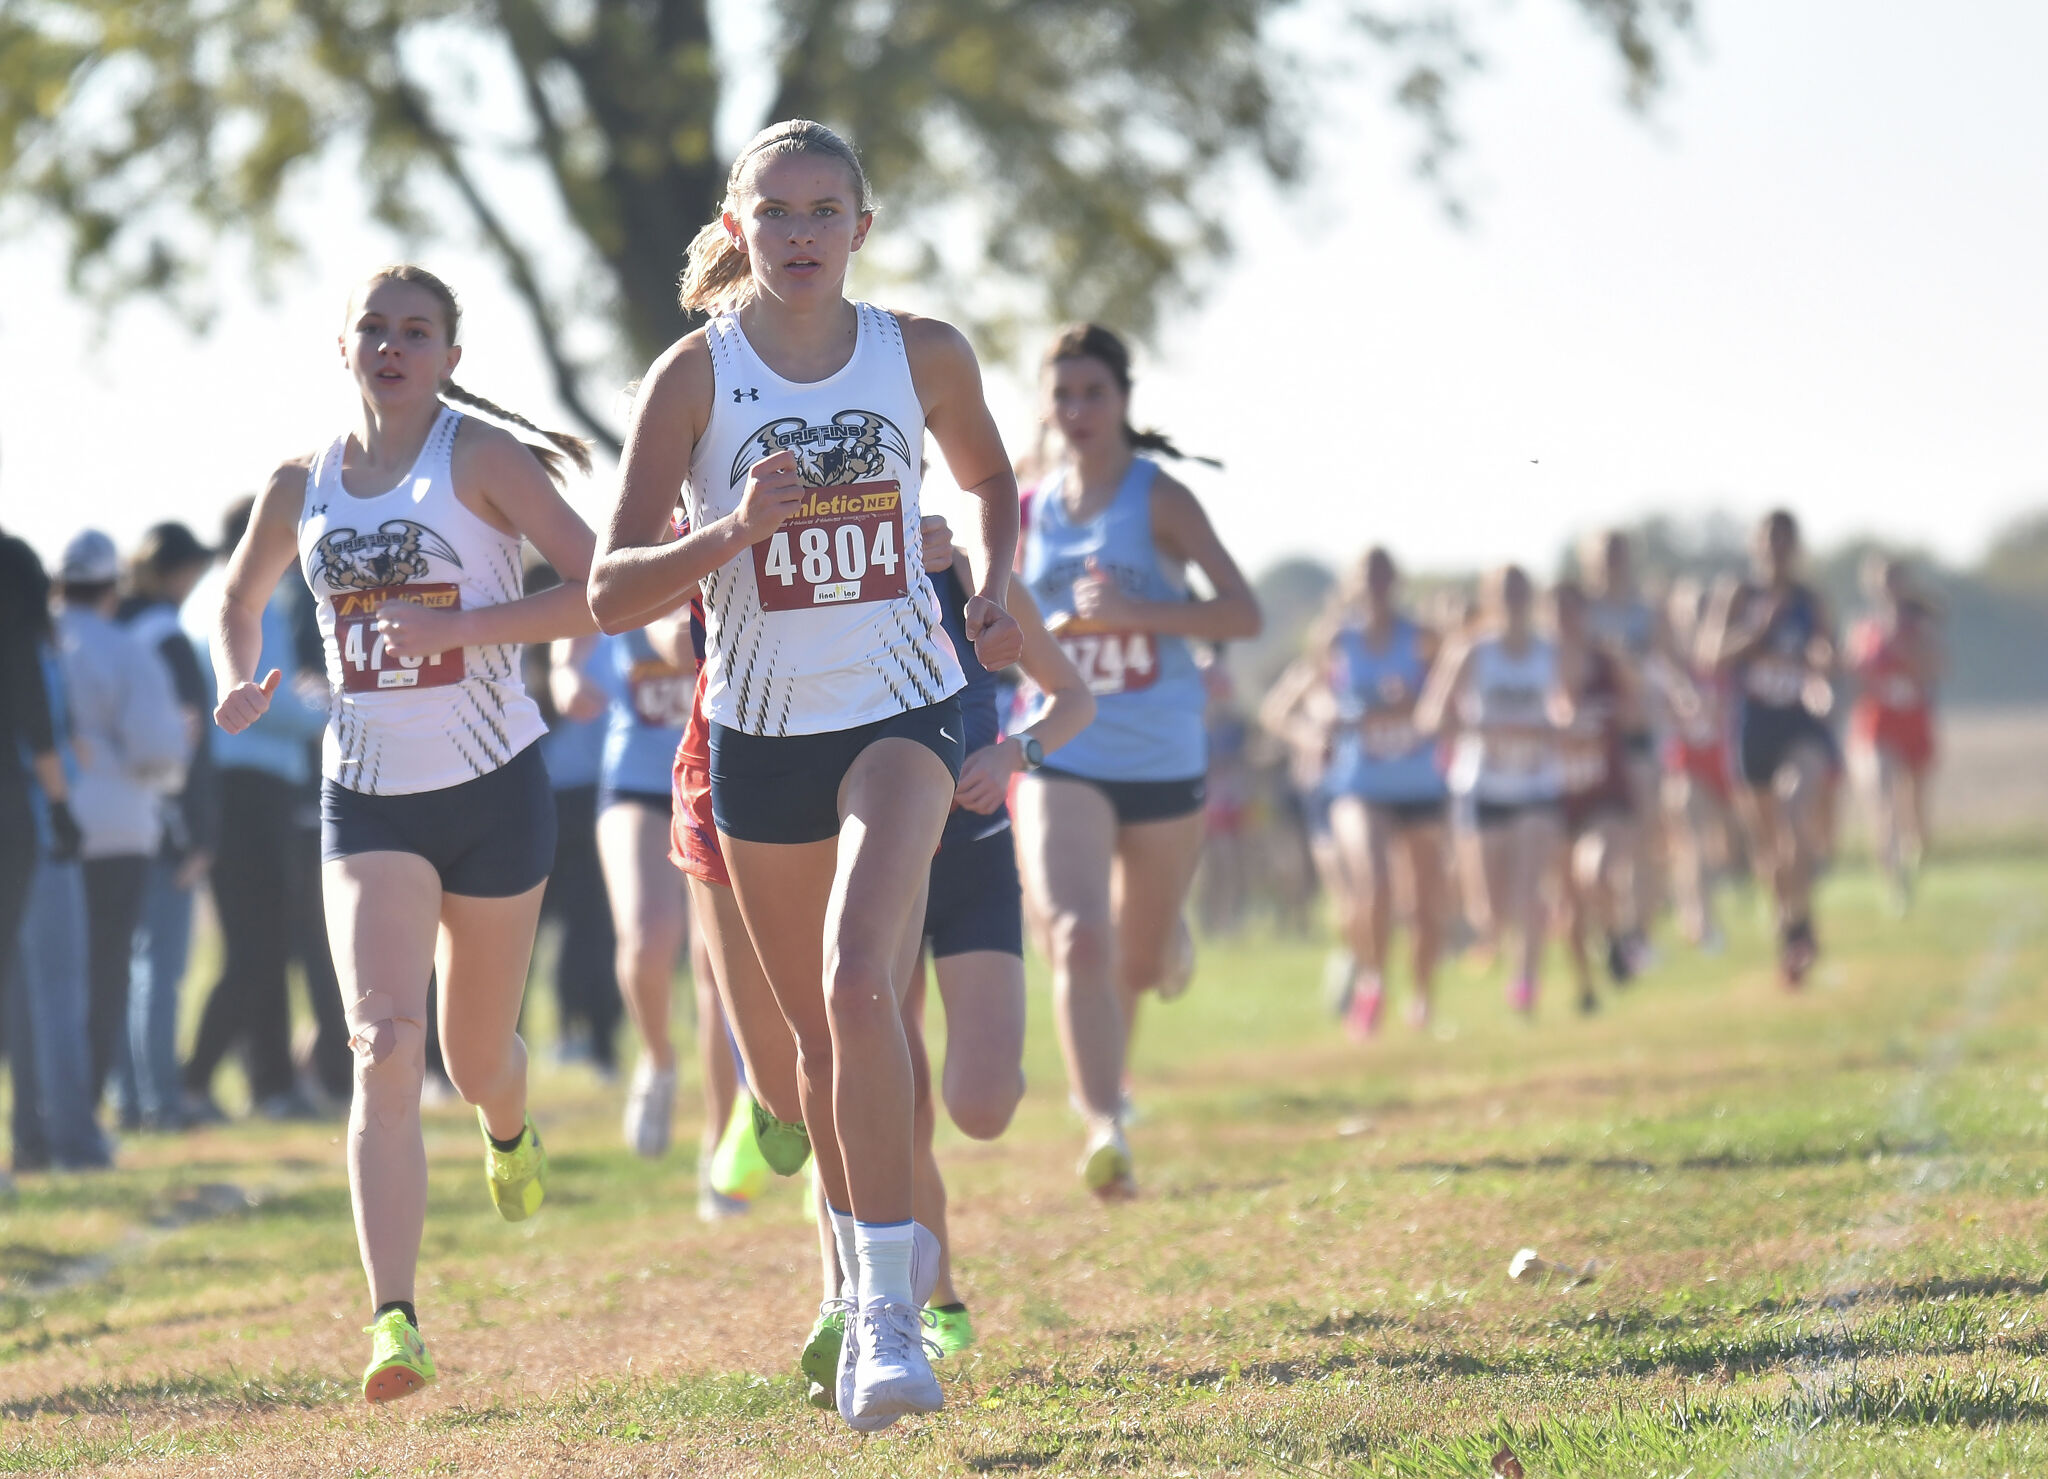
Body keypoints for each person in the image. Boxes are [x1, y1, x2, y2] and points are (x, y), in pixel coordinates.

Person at [588, 119, 1022, 1431]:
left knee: (854, 977)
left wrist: (997, 581)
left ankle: (890, 1314)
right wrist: (733, 530)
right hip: (759, 736)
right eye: (773, 212)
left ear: (862, 228)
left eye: (825, 209)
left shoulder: (921, 353)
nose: (799, 233)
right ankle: (854, 1273)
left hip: (905, 709)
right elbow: (609, 589)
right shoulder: (693, 376)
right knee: (808, 1052)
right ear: (736, 229)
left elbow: (995, 476)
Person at [210, 264, 599, 1403]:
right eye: (372, 329)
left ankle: (510, 1124)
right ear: (343, 349)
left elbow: (601, 586)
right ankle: (395, 1320)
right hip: (368, 792)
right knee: (382, 1044)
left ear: (450, 356)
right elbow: (238, 602)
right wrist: (242, 683)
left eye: (415, 331)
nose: (391, 345)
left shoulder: (482, 460)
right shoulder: (301, 482)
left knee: (476, 1058)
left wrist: (474, 626)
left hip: (493, 782)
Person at [1012, 323, 1260, 1199]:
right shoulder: (1023, 510)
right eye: (1063, 396)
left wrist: (1134, 613)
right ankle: (1103, 1121)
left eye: (1094, 394)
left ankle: (1158, 944)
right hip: (1059, 747)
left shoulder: (1159, 499)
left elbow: (1241, 614)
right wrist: (1032, 636)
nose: (1077, 411)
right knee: (1079, 936)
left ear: (1124, 401)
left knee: (1140, 965)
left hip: (1161, 752)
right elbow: (990, 626)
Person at [898, 547, 1092, 1361]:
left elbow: (1074, 698)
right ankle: (932, 1296)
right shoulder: (825, 582)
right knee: (894, 1102)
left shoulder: (974, 578)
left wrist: (1015, 754)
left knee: (979, 1108)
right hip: (884, 869)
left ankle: (1001, 1057)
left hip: (976, 856)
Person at [183, 499, 335, 1123]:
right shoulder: (256, 604)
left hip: (225, 788)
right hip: (257, 788)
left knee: (257, 943)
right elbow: (267, 700)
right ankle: (196, 1081)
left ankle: (268, 1083)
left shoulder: (200, 600)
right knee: (259, 946)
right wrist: (339, 709)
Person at [51, 530, 189, 1113]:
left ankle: (49, 1108)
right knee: (106, 971)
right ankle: (84, 1107)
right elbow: (159, 754)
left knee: (51, 977)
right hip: (116, 831)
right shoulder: (128, 650)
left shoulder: (35, 647)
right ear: (111, 588)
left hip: (46, 830)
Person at [1416, 565, 1566, 1015]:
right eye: (1506, 591)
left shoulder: (1548, 650)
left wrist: (1555, 726)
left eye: (1522, 590)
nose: (1515, 599)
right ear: (1491, 598)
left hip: (1538, 784)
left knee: (1529, 888)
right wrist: (1479, 728)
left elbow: (1567, 708)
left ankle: (1525, 984)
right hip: (1482, 786)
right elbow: (1430, 718)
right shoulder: (1471, 651)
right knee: (1490, 911)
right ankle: (1495, 942)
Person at [0, 529, 104, 1171]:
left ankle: (31, 1139)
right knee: (52, 990)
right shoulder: (22, 646)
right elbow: (39, 732)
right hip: (23, 827)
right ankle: (65, 1139)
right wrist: (63, 809)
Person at [1704, 510, 1838, 986]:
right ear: (1755, 546)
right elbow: (1710, 654)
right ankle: (1793, 925)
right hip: (1753, 727)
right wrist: (1757, 632)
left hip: (1798, 725)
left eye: (1784, 541)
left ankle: (1799, 923)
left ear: (1795, 547)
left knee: (1794, 813)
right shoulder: (1739, 595)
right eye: (1768, 541)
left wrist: (1821, 663)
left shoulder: (1810, 599)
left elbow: (1827, 652)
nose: (1776, 550)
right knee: (1767, 849)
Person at [114, 522, 219, 1131]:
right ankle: (160, 1098)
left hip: (108, 823)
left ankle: (128, 1095)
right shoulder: (168, 641)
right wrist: (201, 833)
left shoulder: (110, 630)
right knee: (161, 968)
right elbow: (190, 744)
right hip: (165, 825)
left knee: (120, 969)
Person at [1322, 548, 1450, 1037]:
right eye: (1366, 576)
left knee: (1425, 904)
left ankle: (1421, 997)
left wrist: (1409, 703)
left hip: (1418, 782)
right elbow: (1315, 692)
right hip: (1360, 783)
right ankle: (1372, 982)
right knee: (1372, 883)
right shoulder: (1338, 638)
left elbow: (1443, 697)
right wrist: (1324, 719)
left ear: (1395, 581)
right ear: (1354, 583)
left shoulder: (1420, 638)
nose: (1375, 585)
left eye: (1383, 575)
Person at [530, 570, 623, 1079]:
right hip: (556, 800)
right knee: (581, 929)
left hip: (572, 798)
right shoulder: (529, 658)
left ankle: (592, 1040)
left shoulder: (591, 643)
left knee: (585, 930)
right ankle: (582, 1037)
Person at [1552, 580, 1643, 1014]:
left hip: (1606, 793)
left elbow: (1636, 714)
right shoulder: (1536, 669)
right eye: (1555, 612)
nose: (1563, 621)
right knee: (1567, 905)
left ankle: (1612, 938)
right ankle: (1585, 988)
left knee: (1596, 872)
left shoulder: (1607, 664)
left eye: (1571, 611)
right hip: (1555, 798)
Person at [1848, 556, 1939, 913]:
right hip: (1875, 726)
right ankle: (1893, 884)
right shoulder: (1862, 628)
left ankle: (1915, 857)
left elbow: (1936, 668)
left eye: (1894, 580)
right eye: (1881, 581)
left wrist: (1904, 643)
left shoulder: (1921, 626)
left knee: (1914, 813)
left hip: (1914, 724)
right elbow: (1853, 676)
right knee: (1882, 804)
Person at [1658, 576, 1737, 951]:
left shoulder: (1729, 660)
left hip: (1729, 766)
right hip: (1687, 765)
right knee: (1693, 845)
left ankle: (1699, 914)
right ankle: (1701, 923)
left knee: (1724, 849)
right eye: (1690, 612)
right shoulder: (1671, 666)